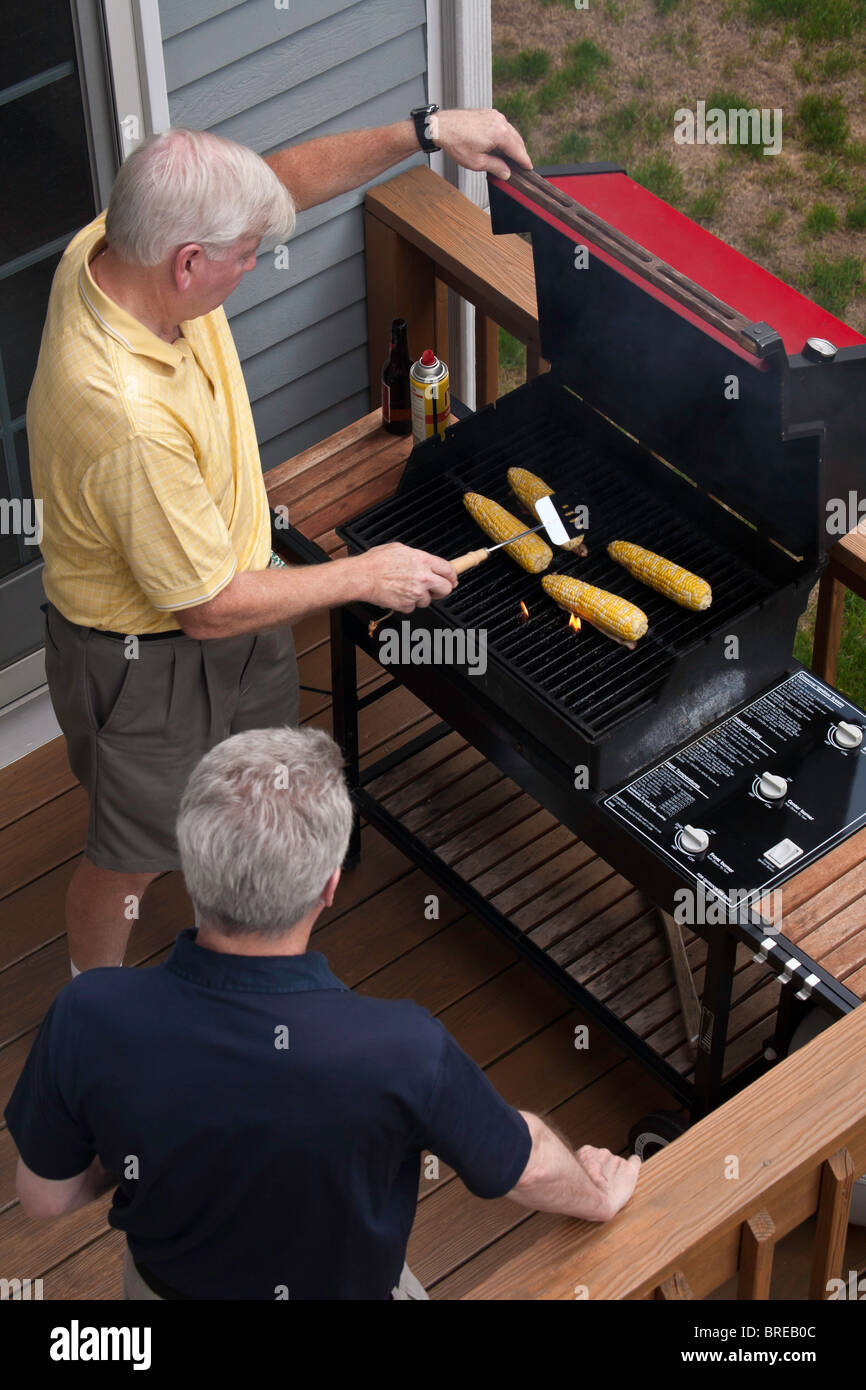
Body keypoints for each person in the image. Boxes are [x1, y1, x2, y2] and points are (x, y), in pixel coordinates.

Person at [27, 112, 532, 976]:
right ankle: (91, 1007)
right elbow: (207, 608)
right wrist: (362, 574)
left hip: (232, 597)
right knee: (135, 855)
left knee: (248, 805)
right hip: (151, 657)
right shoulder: (124, 417)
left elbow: (280, 182)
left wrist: (429, 129)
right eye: (243, 259)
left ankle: (241, 978)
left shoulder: (118, 242)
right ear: (187, 263)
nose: (257, 266)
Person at [5, 726, 641, 1301]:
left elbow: (44, 1196)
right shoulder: (401, 1048)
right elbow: (524, 1161)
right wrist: (598, 1194)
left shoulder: (88, 1013)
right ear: (330, 886)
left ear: (191, 868)